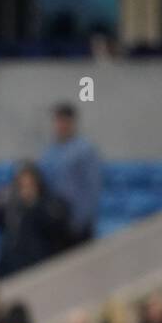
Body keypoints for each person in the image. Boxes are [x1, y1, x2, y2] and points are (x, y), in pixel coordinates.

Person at [38, 104, 101, 247]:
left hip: (76, 222)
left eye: (64, 121)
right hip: (54, 222)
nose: (61, 125)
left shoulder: (85, 151)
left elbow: (92, 188)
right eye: (58, 121)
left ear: (72, 123)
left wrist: (79, 223)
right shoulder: (50, 152)